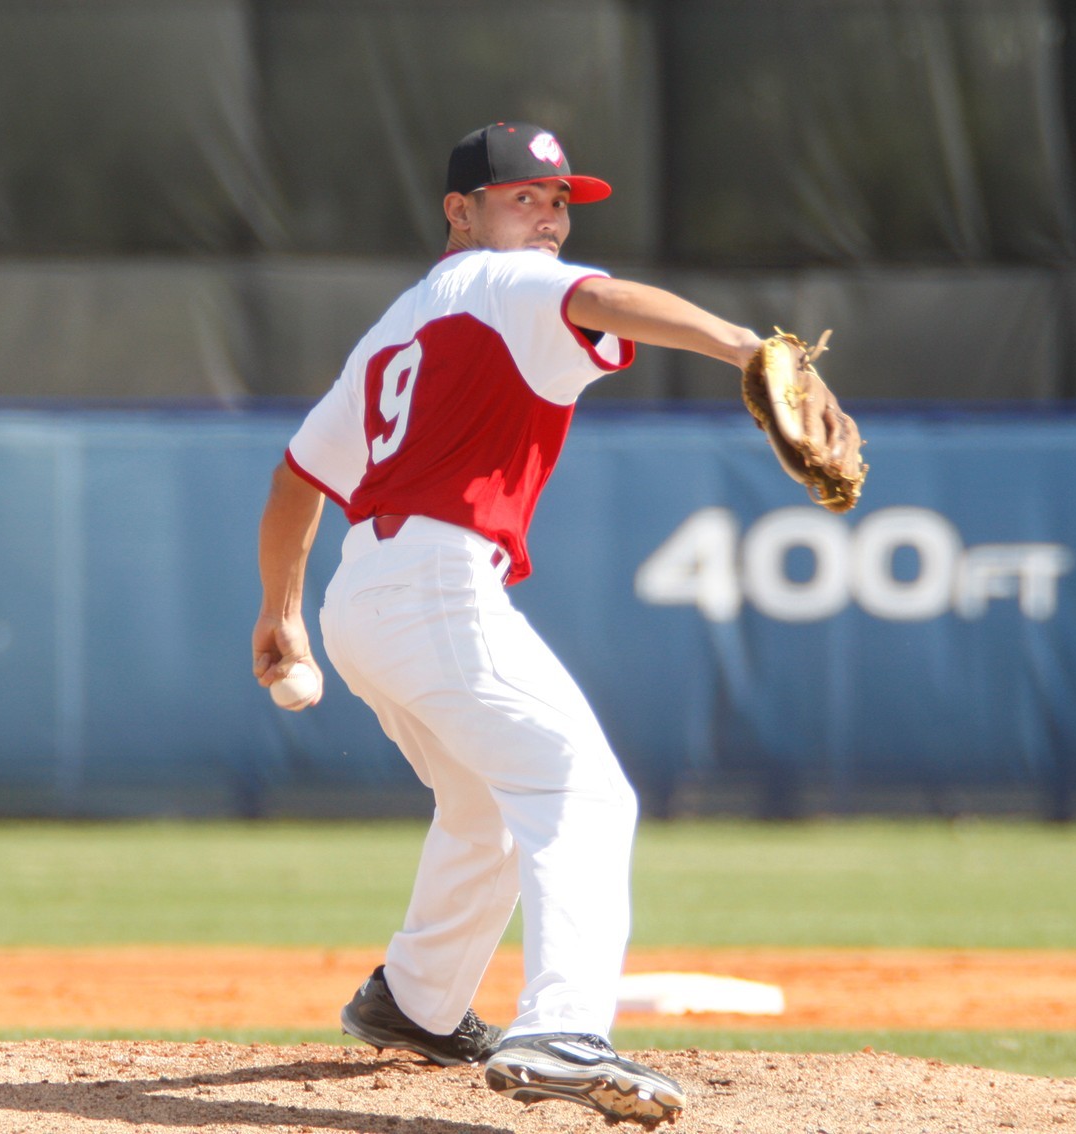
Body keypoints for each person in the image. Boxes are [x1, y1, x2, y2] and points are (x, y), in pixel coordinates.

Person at [252, 121, 849, 1127]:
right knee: (581, 791)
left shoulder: (394, 326)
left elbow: (296, 476)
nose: (549, 217)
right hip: (436, 586)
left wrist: (281, 613)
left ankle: (416, 1001)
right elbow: (602, 299)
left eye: (559, 200)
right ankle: (564, 1029)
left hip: (367, 598)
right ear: (461, 211)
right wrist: (744, 345)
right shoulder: (507, 281)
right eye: (525, 196)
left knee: (484, 804)